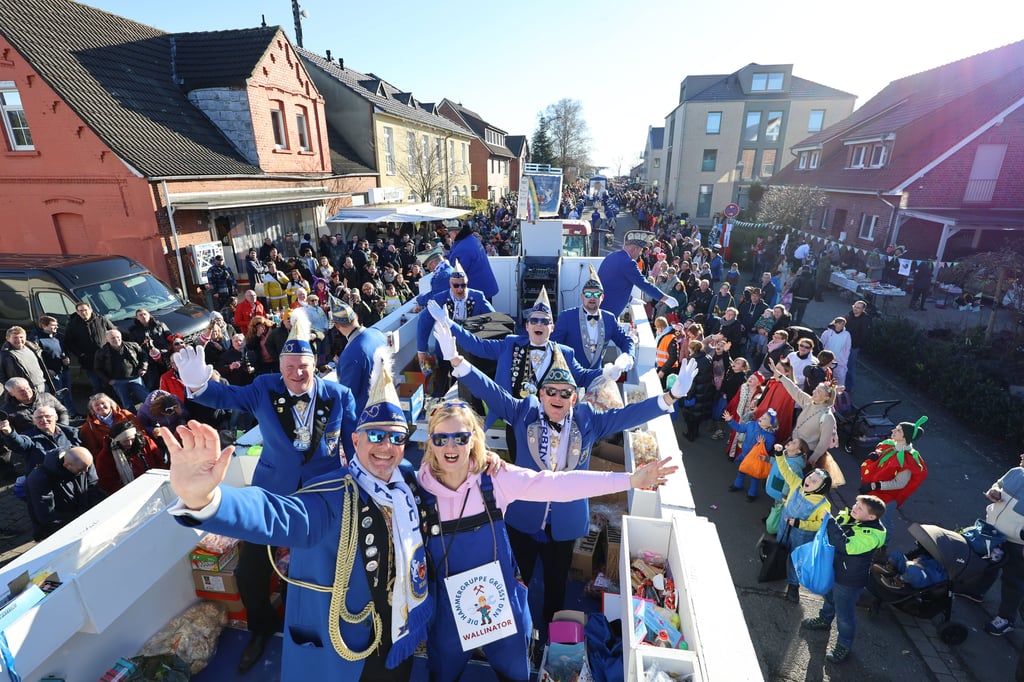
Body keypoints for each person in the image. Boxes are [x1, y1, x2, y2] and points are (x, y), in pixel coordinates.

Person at [163, 354, 432, 679]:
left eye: (397, 437)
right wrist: (206, 499)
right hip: (352, 640)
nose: (386, 446)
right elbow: (277, 514)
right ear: (356, 440)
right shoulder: (333, 495)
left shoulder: (409, 481)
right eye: (375, 436)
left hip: (399, 626)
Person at [433, 321, 697, 632]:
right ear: (541, 394)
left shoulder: (588, 421)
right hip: (522, 518)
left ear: (574, 397)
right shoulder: (524, 412)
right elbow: (490, 389)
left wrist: (670, 397)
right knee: (515, 578)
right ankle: (510, 631)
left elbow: (627, 415)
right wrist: (456, 361)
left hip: (564, 523)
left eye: (565, 392)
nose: (557, 397)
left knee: (557, 585)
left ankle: (549, 637)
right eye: (551, 391)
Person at [417, 399, 677, 682]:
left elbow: (558, 484)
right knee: (443, 671)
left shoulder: (495, 479)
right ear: (430, 441)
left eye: (460, 437)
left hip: (500, 601)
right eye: (441, 438)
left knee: (513, 672)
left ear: (474, 439)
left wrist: (629, 480)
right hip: (449, 608)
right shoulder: (416, 489)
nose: (450, 447)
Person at [173, 310, 357, 673]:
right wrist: (198, 386)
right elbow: (227, 397)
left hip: (321, 497)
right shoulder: (264, 388)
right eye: (290, 366)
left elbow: (355, 442)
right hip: (270, 495)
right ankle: (261, 628)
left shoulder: (340, 395)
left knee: (312, 569)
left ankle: (306, 628)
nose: (297, 373)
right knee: (250, 572)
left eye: (304, 366)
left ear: (314, 364)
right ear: (282, 366)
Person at [801, 495, 887, 664]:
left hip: (849, 581)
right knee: (829, 598)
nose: (854, 507)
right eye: (856, 504)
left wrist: (831, 523)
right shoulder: (852, 518)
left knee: (844, 615)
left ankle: (844, 644)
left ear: (871, 517)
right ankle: (824, 619)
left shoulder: (872, 535)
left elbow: (847, 546)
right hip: (835, 570)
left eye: (860, 508)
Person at [416, 261, 494, 397]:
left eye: (463, 285)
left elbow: (493, 319)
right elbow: (424, 321)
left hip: (470, 349)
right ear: (450, 284)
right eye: (456, 285)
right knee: (443, 380)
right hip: (445, 349)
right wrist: (422, 350)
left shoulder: (478, 297)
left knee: (469, 383)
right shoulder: (440, 298)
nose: (459, 289)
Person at [773, 451, 832, 604]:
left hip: (802, 536)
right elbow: (785, 470)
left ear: (821, 488)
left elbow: (821, 524)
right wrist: (779, 454)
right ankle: (775, 569)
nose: (810, 480)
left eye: (815, 481)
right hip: (785, 527)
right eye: (810, 477)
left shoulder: (823, 505)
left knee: (795, 559)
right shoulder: (796, 483)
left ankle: (793, 586)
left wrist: (800, 524)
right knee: (780, 549)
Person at [551, 266, 635, 370]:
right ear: (582, 296)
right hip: (571, 378)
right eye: (588, 294)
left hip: (596, 378)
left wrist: (628, 356)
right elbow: (553, 346)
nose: (592, 298)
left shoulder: (609, 318)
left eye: (596, 294)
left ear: (602, 297)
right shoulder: (567, 317)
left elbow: (626, 340)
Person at [977, 452, 1024, 636]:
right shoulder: (1016, 472)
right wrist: (993, 491)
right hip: (995, 532)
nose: (1021, 454)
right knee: (988, 563)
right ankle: (977, 591)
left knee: (1014, 580)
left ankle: (1006, 619)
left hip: (1018, 543)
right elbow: (998, 484)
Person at [858, 417, 928, 531]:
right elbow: (888, 459)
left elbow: (899, 483)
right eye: (896, 428)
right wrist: (877, 455)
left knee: (884, 525)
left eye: (899, 430)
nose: (893, 431)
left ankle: (883, 546)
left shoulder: (907, 460)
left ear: (906, 437)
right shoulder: (891, 446)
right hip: (874, 492)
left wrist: (874, 485)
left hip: (886, 499)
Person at [769, 358, 837, 467]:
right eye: (815, 389)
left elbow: (823, 443)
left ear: (826, 398)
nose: (814, 392)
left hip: (803, 454)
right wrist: (780, 375)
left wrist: (813, 458)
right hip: (792, 444)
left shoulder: (828, 417)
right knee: (774, 467)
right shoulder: (809, 401)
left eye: (819, 392)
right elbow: (795, 390)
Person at [25, 445, 102, 541]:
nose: (85, 471)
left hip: (83, 520)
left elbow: (92, 485)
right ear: (66, 465)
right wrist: (78, 519)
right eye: (80, 470)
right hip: (61, 529)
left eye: (88, 467)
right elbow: (47, 514)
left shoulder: (83, 462)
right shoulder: (39, 479)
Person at [597, 231, 678, 318]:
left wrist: (630, 299)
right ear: (634, 249)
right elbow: (644, 284)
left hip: (601, 305)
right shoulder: (628, 263)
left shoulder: (612, 256)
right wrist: (665, 298)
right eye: (640, 250)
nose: (640, 254)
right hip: (609, 312)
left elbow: (614, 283)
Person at [330, 297, 387, 414]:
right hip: (385, 402)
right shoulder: (377, 333)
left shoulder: (349, 355)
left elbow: (348, 395)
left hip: (366, 415)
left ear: (336, 325)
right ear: (356, 316)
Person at [1, 403, 81, 474]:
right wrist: (9, 432)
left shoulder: (71, 432)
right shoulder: (30, 436)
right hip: (45, 479)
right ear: (34, 421)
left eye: (47, 416)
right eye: (39, 417)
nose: (44, 420)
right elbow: (19, 443)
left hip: (72, 474)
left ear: (56, 417)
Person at [95, 419, 166, 495]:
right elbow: (107, 482)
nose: (130, 443)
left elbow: (159, 460)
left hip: (155, 483)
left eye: (132, 439)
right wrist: (129, 492)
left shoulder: (145, 442)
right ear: (116, 441)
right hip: (128, 492)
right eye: (125, 441)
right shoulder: (105, 456)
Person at [29, 316, 77, 418]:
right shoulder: (36, 339)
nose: (56, 327)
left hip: (64, 369)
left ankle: (72, 414)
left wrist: (66, 357)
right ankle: (57, 417)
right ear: (44, 326)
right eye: (53, 325)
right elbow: (37, 358)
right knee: (56, 396)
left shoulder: (58, 336)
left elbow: (64, 349)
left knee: (68, 393)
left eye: (56, 325)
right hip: (52, 372)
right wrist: (47, 370)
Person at [724, 408, 777, 501]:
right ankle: (738, 485)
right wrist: (730, 421)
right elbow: (740, 428)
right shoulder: (751, 424)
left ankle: (752, 494)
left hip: (756, 459)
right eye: (762, 416)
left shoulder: (770, 437)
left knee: (755, 476)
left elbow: (767, 449)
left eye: (765, 418)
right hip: (745, 455)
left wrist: (761, 444)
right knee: (741, 470)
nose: (761, 418)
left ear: (770, 425)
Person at [64, 301, 115, 394]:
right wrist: (80, 354)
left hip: (106, 358)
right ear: (77, 312)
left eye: (85, 310)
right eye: (80, 311)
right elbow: (69, 342)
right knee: (97, 386)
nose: (83, 313)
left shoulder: (101, 320)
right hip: (89, 361)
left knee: (111, 384)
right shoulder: (73, 325)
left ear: (90, 310)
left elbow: (113, 332)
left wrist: (111, 348)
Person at [93, 329, 149, 411]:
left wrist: (143, 368)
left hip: (135, 378)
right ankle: (133, 420)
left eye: (118, 337)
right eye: (112, 338)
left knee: (147, 399)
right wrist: (108, 380)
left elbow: (144, 356)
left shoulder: (132, 346)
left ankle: (153, 417)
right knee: (127, 404)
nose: (116, 340)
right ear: (107, 340)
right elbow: (97, 369)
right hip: (117, 382)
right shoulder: (101, 352)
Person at [80, 392, 143, 458]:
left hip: (135, 452)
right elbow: (93, 449)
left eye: (103, 403)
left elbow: (141, 432)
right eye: (96, 405)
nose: (101, 406)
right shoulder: (88, 427)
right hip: (110, 458)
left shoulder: (126, 415)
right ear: (92, 409)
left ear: (110, 403)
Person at [446, 221, 499, 300]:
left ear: (455, 233)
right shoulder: (471, 239)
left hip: (477, 292)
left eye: (449, 234)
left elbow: (456, 274)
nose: (449, 237)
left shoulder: (462, 248)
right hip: (486, 287)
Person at [0, 325, 55, 398]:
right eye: (15, 337)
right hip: (24, 392)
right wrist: (13, 390)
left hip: (43, 387)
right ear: (8, 338)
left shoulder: (33, 349)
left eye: (21, 337)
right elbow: (1, 376)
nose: (19, 340)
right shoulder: (4, 355)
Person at [844, 301, 872, 393]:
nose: (855, 309)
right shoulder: (849, 315)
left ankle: (849, 387)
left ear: (863, 309)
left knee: (850, 366)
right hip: (844, 344)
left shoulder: (865, 320)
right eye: (854, 306)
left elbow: (865, 335)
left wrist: (856, 344)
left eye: (858, 308)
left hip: (853, 346)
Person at [820, 317, 852, 386]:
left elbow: (847, 348)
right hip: (827, 360)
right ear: (835, 323)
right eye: (839, 323)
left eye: (843, 324)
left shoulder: (847, 335)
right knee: (826, 377)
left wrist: (844, 360)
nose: (841, 325)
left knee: (839, 378)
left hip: (839, 361)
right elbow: (821, 344)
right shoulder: (827, 333)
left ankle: (838, 395)